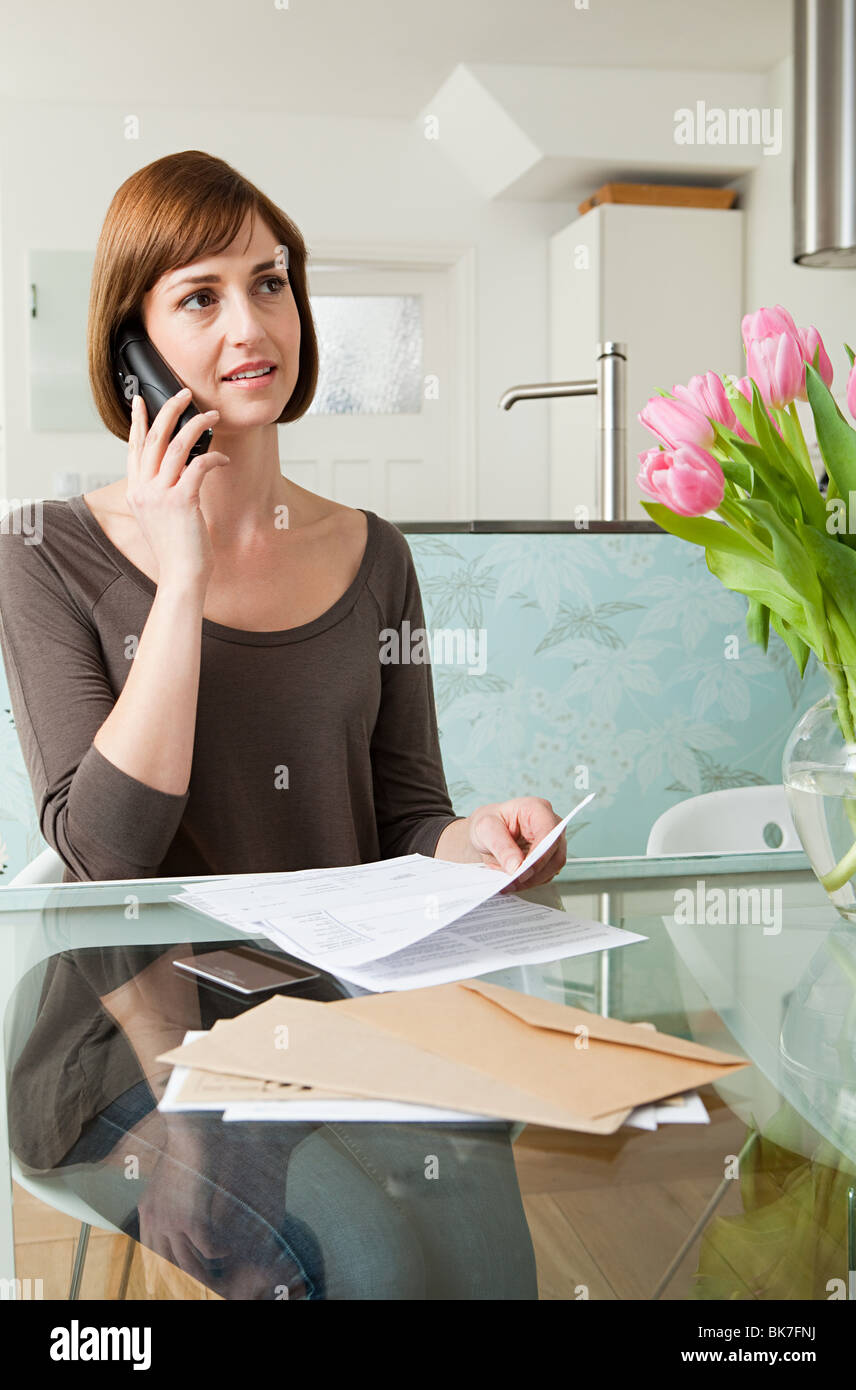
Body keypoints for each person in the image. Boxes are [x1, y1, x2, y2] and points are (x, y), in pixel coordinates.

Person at [0, 149, 567, 1298]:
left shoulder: (374, 556)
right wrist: (183, 570)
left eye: (270, 281)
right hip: (130, 1035)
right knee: (368, 1256)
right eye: (199, 297)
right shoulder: (42, 551)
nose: (252, 321)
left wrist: (483, 844)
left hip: (328, 1009)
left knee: (478, 1229)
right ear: (134, 346)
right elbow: (103, 853)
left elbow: (406, 813)